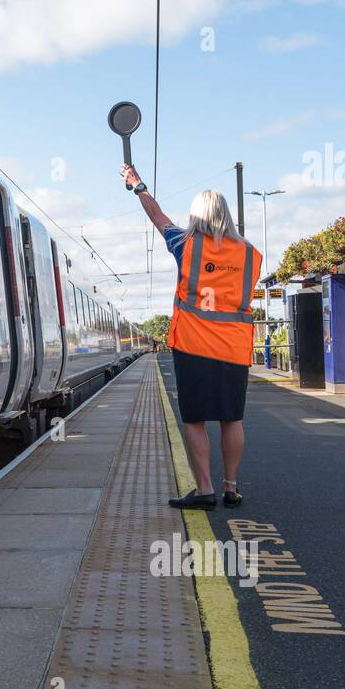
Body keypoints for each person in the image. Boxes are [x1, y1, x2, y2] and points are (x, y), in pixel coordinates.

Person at [122, 164, 262, 510]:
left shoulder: (186, 244)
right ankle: (231, 487)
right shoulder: (250, 254)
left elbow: (157, 215)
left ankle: (204, 490)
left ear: (195, 215)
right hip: (234, 348)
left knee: (195, 419)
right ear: (227, 215)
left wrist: (138, 185)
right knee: (233, 418)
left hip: (195, 347)